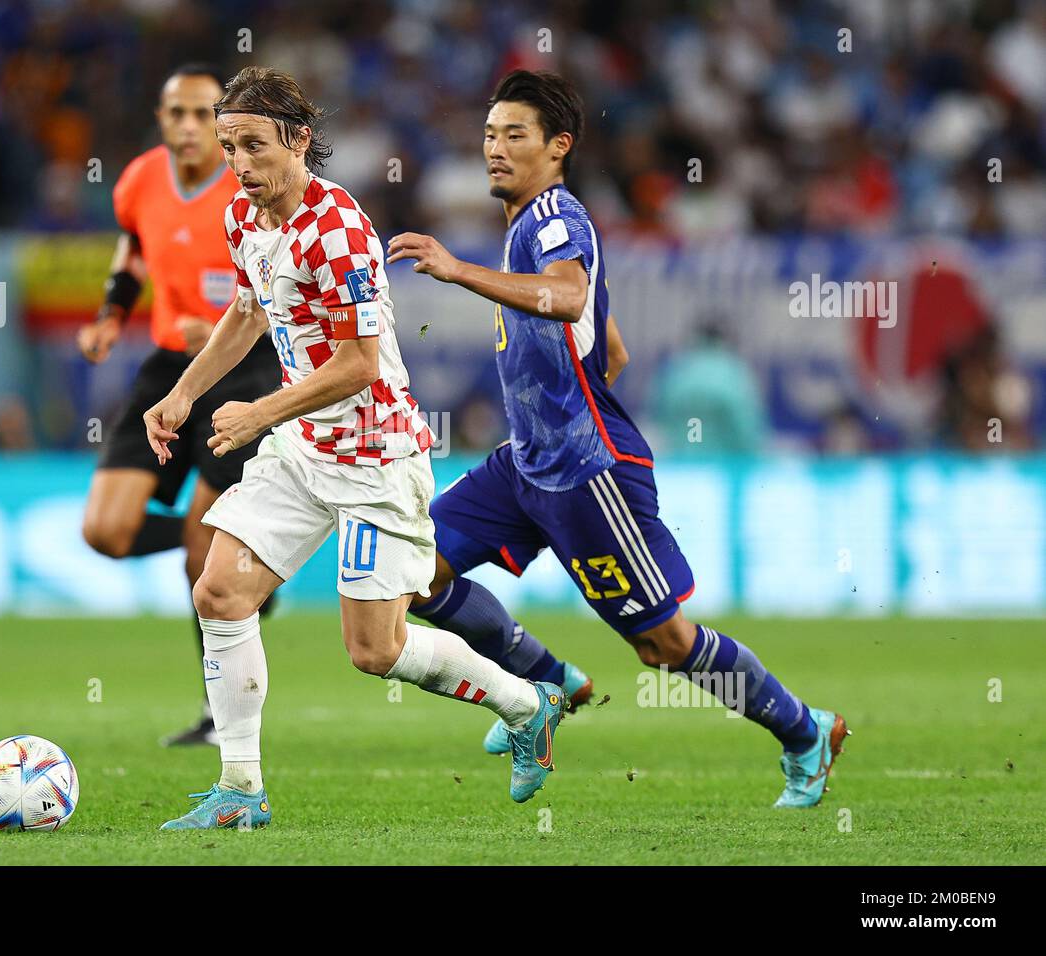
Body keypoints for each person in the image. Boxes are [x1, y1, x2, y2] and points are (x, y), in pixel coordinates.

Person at [389, 70, 848, 808]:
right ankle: (547, 680)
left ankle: (804, 731)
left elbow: (569, 294)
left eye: (515, 134)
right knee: (412, 571)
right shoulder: (525, 228)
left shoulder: (553, 218)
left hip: (587, 475)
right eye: (489, 133)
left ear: (557, 146)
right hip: (527, 465)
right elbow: (609, 342)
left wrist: (457, 271)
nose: (494, 148)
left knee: (663, 644)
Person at [143, 66, 565, 830]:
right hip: (304, 449)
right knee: (219, 592)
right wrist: (185, 393)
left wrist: (255, 411)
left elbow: (358, 365)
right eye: (228, 147)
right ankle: (241, 789)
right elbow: (249, 309)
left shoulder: (336, 228)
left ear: (300, 140)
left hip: (375, 456)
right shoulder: (245, 217)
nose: (238, 165)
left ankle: (527, 703)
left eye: (252, 147)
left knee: (375, 652)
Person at [77, 64, 282, 748]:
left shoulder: (249, 185)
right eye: (178, 114)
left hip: (242, 367)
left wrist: (229, 324)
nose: (190, 127)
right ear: (162, 120)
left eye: (203, 114)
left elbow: (277, 277)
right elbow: (134, 247)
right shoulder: (138, 180)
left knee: (206, 556)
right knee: (105, 532)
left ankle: (218, 716)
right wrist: (112, 313)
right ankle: (237, 553)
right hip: (168, 365)